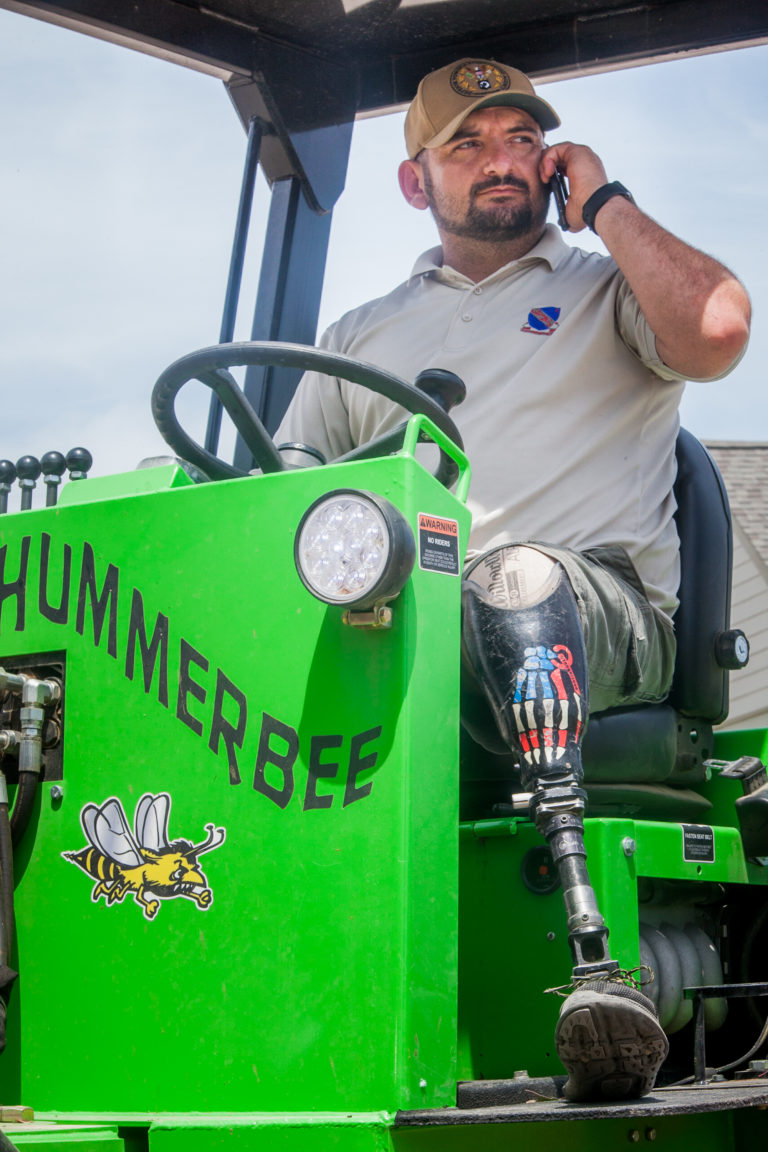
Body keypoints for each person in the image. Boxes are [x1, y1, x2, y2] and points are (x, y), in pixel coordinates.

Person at [276, 58, 751, 1101]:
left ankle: (595, 963)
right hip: (417, 634)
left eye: (524, 140)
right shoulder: (362, 335)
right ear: (416, 183)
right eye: (469, 144)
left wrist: (609, 204)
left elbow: (716, 329)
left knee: (509, 576)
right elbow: (288, 498)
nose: (504, 162)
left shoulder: (606, 289)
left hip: (605, 619)